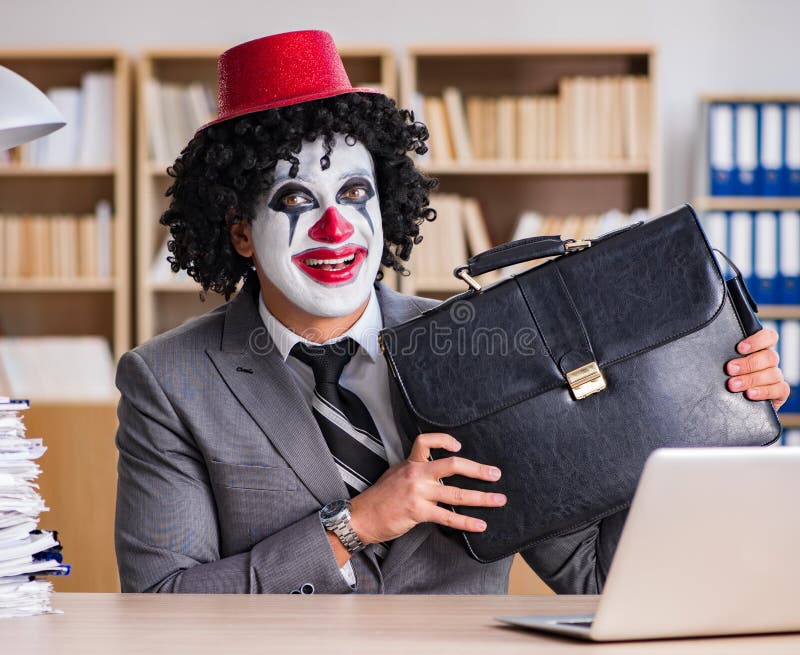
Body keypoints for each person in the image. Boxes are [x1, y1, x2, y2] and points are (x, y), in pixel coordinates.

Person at [114, 30, 790, 595]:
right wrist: (354, 524)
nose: (334, 228)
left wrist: (706, 414)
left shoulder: (482, 342)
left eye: (354, 192)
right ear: (238, 231)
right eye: (295, 201)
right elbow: (158, 601)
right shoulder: (170, 379)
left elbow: (597, 572)